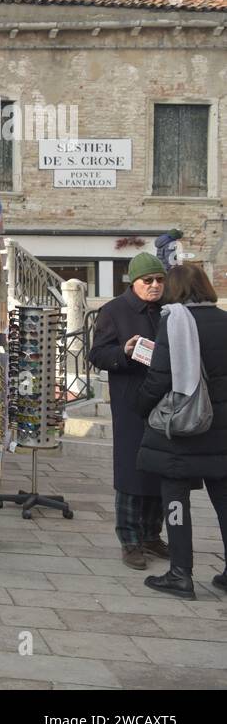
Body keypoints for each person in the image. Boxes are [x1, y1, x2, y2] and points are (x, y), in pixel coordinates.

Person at [134, 265, 227, 599]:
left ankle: (180, 574)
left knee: (175, 500)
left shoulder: (174, 323)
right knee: (225, 502)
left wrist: (142, 407)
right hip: (221, 430)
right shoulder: (224, 321)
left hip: (183, 429)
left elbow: (160, 378)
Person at [88, 252, 169, 569]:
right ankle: (130, 539)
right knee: (131, 469)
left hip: (165, 402)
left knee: (159, 468)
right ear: (133, 282)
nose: (154, 286)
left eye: (159, 280)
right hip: (131, 401)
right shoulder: (114, 311)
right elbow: (97, 354)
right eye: (147, 280)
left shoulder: (169, 310)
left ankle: (152, 534)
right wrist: (124, 350)